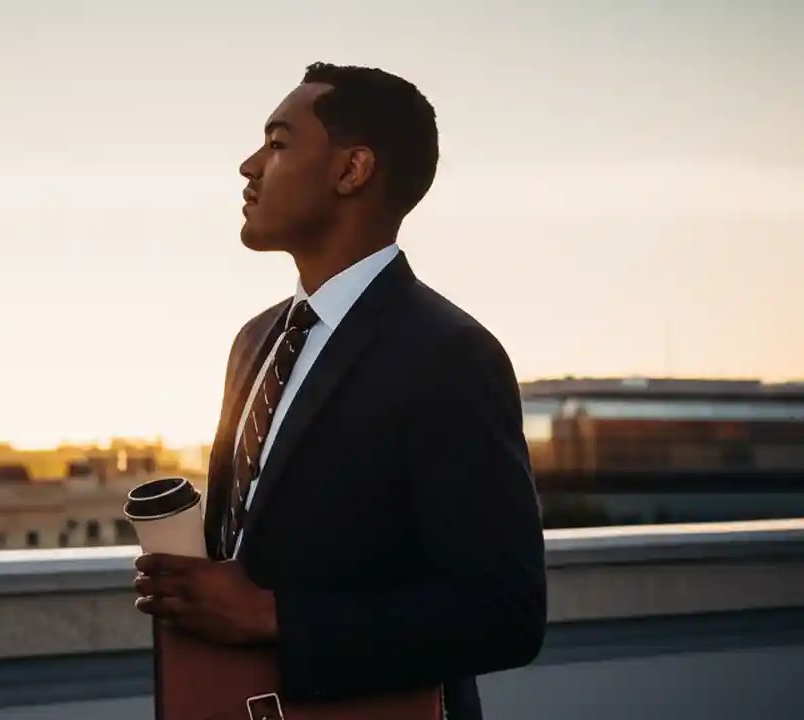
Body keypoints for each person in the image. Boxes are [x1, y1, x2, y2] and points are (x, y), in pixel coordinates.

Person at [134, 61, 546, 719]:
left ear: (352, 170)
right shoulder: (253, 341)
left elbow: (505, 613)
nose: (248, 166)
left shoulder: (449, 354)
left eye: (277, 143)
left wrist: (275, 617)